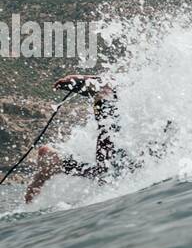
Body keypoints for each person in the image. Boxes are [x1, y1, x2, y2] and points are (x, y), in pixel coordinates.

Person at [25, 74, 136, 204]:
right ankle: (57, 163)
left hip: (114, 128)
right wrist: (75, 80)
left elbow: (99, 82)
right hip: (110, 127)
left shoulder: (129, 91)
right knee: (105, 172)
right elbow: (101, 82)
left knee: (106, 171)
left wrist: (74, 80)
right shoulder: (120, 90)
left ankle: (57, 163)